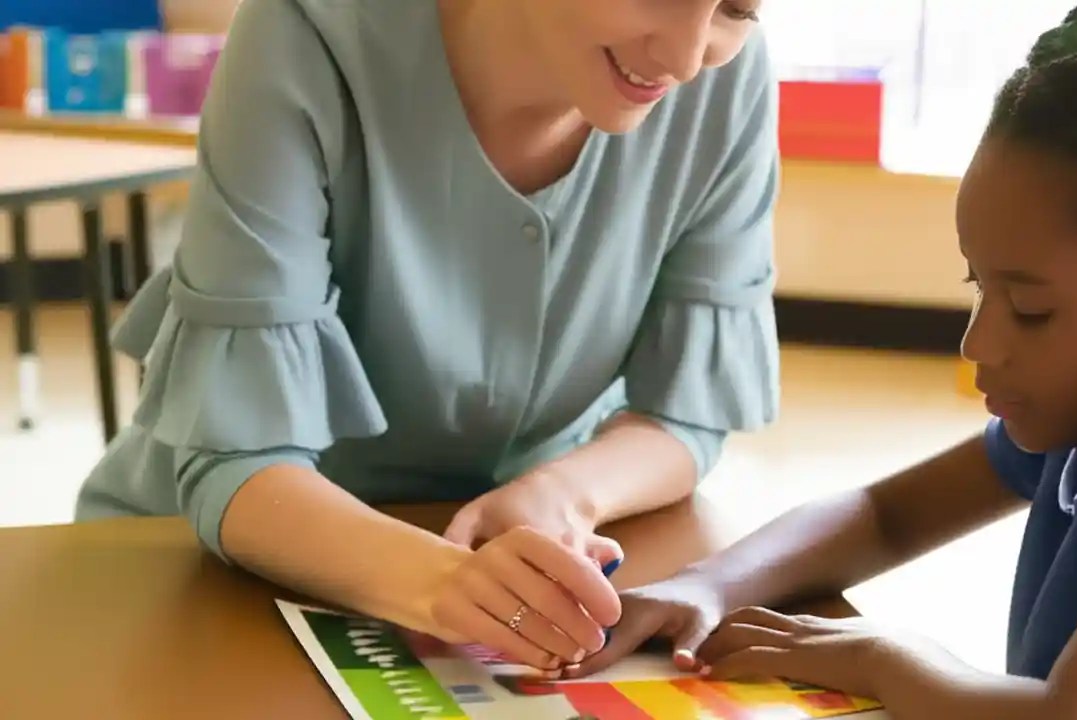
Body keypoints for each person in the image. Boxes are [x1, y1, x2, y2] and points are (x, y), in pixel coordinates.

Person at [576, 2, 1077, 717]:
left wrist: (885, 659)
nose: (979, 343)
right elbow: (884, 515)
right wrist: (707, 584)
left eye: (1032, 311)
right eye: (981, 287)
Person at [75, 0, 780, 677]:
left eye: (738, 9)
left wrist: (563, 495)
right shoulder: (309, 31)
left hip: (494, 597)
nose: (688, 59)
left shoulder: (730, 83)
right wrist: (450, 583)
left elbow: (687, 412)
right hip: (203, 576)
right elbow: (238, 462)